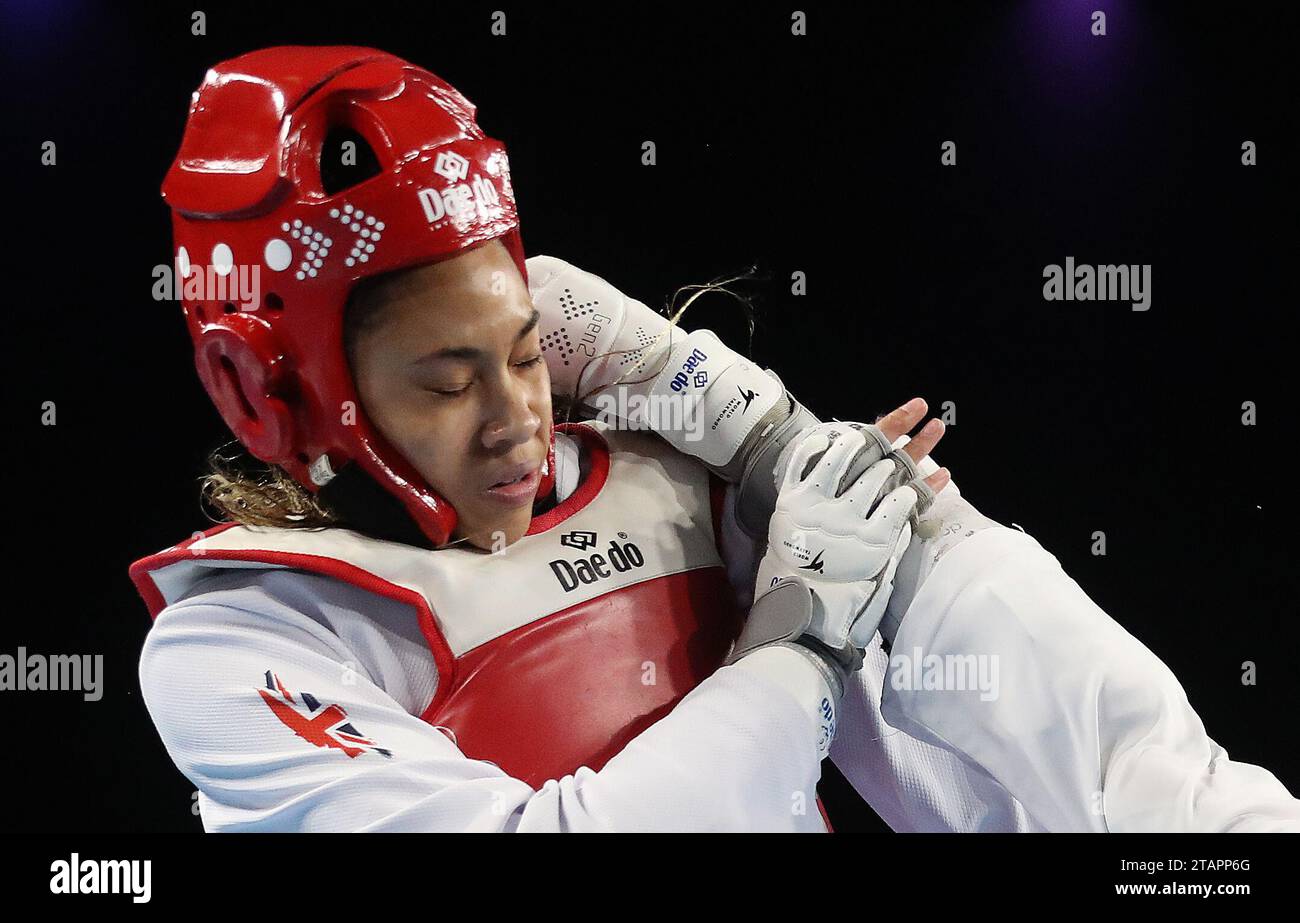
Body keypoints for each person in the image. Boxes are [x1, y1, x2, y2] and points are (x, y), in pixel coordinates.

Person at [132, 46, 1300, 832]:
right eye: (447, 383)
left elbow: (992, 741)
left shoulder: (650, 479)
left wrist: (785, 446)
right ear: (269, 392)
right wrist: (793, 649)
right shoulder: (240, 648)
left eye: (527, 353)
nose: (517, 419)